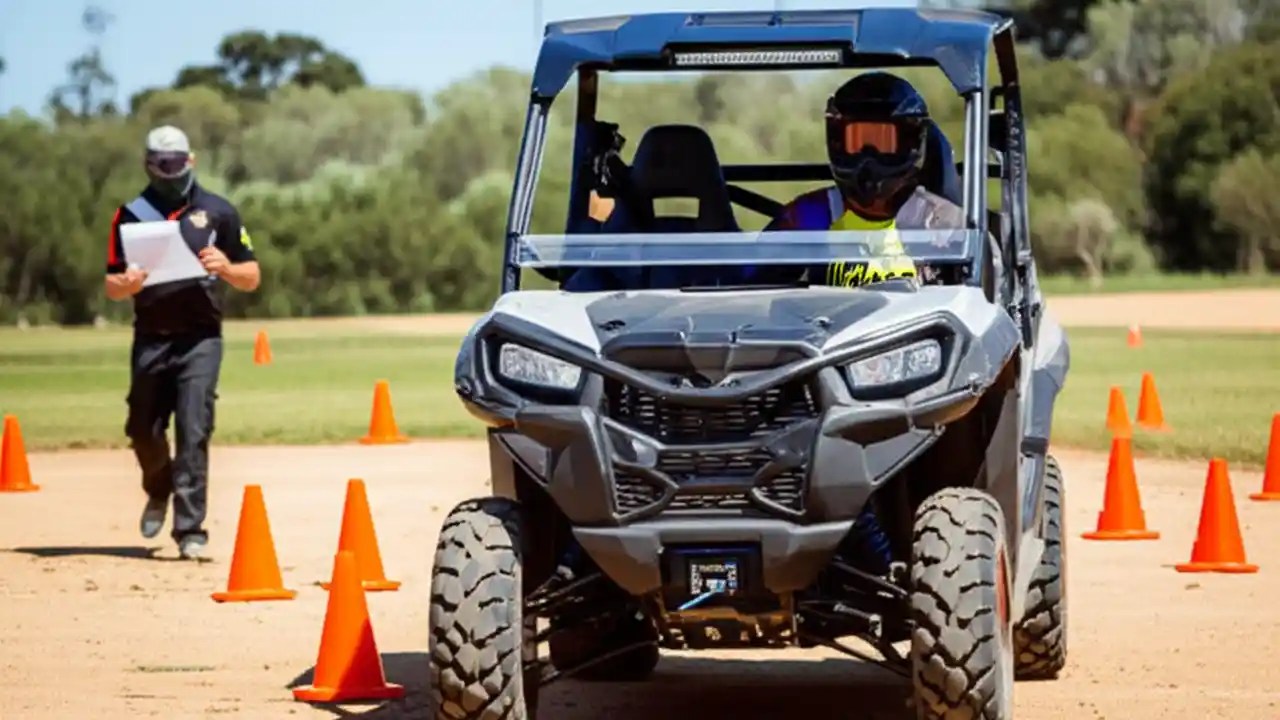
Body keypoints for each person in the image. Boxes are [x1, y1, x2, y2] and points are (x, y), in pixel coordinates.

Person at [103, 125, 261, 560]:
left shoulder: (219, 212)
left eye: (176, 164)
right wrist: (128, 283)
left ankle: (190, 530)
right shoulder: (130, 215)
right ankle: (159, 487)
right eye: (161, 165)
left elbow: (252, 276)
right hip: (151, 338)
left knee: (194, 430)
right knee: (142, 429)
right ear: (148, 165)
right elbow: (111, 284)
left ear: (190, 161)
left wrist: (226, 267)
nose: (170, 173)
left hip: (201, 340)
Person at [761, 71, 966, 288]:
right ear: (837, 142)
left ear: (910, 144)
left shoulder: (943, 224)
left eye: (882, 141)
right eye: (857, 141)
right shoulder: (807, 216)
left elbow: (980, 300)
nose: (868, 159)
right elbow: (747, 286)